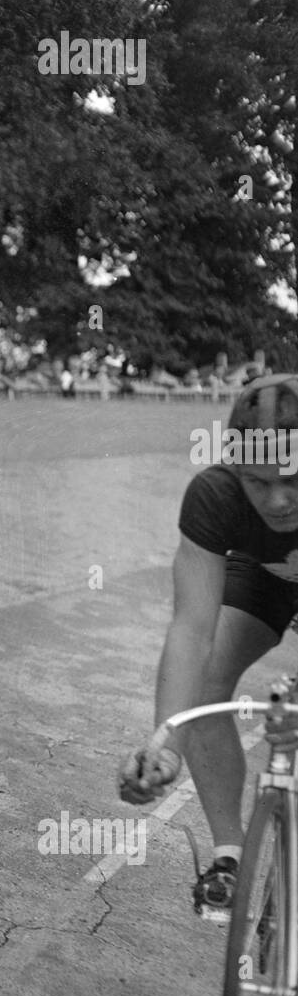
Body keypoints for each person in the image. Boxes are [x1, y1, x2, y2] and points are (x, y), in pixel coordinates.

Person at [119, 374, 298, 920]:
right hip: (264, 576)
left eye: (292, 478)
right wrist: (164, 740)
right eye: (255, 480)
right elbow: (191, 631)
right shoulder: (214, 495)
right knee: (206, 683)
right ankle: (229, 857)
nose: (276, 499)